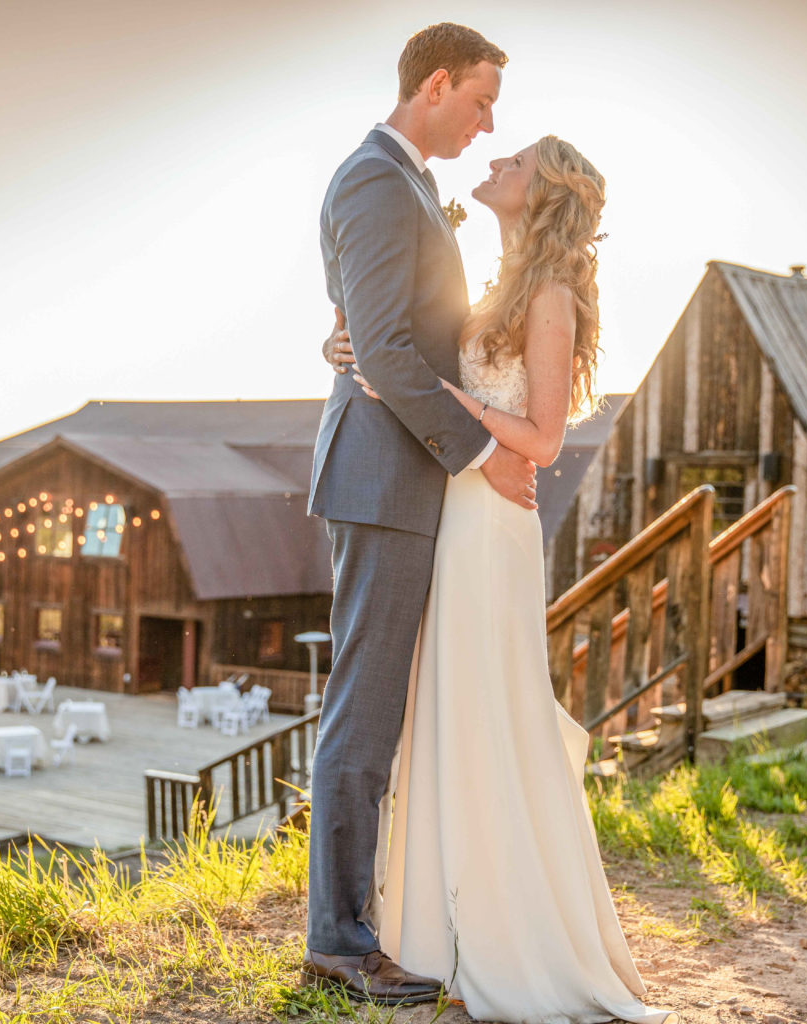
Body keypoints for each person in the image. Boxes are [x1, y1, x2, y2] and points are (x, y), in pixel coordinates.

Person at [323, 136, 680, 1024]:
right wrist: (348, 342)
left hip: (489, 521)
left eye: (512, 160)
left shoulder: (551, 293)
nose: (492, 159)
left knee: (487, 707)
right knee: (448, 708)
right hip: (457, 508)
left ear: (543, 190)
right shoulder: (503, 284)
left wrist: (455, 416)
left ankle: (507, 930)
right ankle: (444, 922)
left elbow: (545, 439)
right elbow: (405, 342)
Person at [303, 22, 539, 1007]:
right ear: (435, 84)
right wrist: (486, 455)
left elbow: (379, 333)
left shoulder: (401, 183)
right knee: (364, 710)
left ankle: (374, 918)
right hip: (383, 478)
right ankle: (339, 941)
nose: (487, 125)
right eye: (481, 101)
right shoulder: (374, 178)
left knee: (386, 707)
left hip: (404, 473)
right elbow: (386, 353)